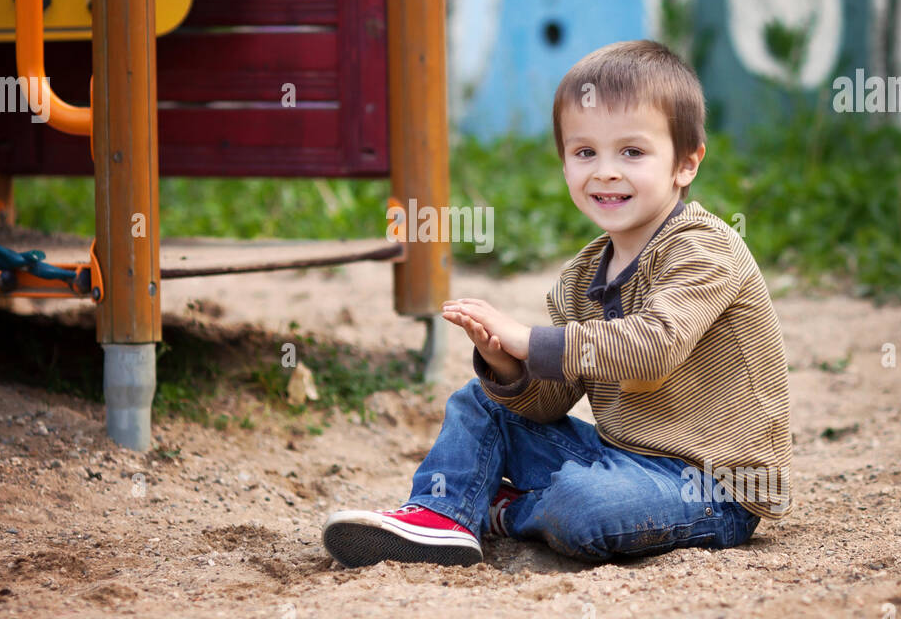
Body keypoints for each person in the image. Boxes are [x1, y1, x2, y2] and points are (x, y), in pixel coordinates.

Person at [322, 40, 793, 568]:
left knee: (584, 505)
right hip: (621, 459)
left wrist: (532, 339)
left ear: (686, 164)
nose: (606, 171)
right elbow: (554, 399)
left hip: (711, 486)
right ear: (565, 162)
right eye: (585, 152)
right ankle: (443, 516)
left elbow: (653, 349)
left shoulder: (703, 249)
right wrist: (508, 362)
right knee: (481, 402)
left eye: (632, 153)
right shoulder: (581, 277)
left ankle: (514, 510)